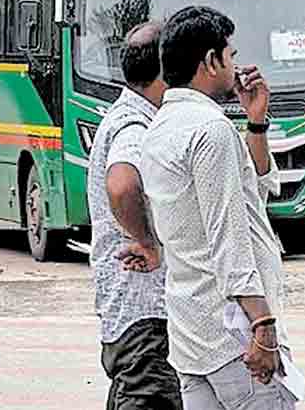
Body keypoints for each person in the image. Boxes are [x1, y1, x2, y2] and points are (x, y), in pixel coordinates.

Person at [139, 5, 298, 410]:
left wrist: (256, 122)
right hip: (232, 336)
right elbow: (229, 238)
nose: (235, 65)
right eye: (230, 55)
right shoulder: (210, 130)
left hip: (192, 335)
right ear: (210, 62)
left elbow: (255, 195)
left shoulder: (161, 128)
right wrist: (263, 326)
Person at [86, 22, 181, 410]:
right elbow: (122, 184)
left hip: (132, 314)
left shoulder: (130, 115)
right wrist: (146, 240)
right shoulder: (135, 126)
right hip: (144, 313)